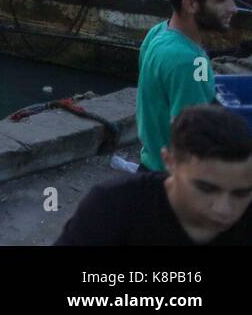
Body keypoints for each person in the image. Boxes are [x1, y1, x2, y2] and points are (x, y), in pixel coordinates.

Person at [54, 105, 252, 245]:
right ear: (169, 162)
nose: (224, 209)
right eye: (206, 188)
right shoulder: (112, 206)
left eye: (241, 194)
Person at [137, 0, 235, 172]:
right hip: (176, 179)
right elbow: (191, 135)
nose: (233, 8)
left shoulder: (159, 32)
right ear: (191, 4)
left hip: (151, 163)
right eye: (221, 0)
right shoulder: (189, 61)